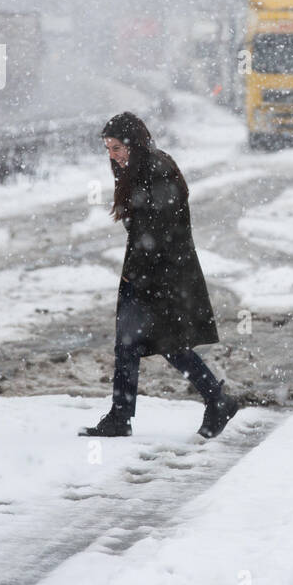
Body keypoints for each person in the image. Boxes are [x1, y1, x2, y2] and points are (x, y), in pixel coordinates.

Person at [81, 112, 239, 439]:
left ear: (133, 143)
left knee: (166, 343)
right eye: (108, 149)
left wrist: (138, 276)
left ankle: (215, 398)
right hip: (151, 272)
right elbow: (144, 231)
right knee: (144, 344)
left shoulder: (155, 169)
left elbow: (159, 232)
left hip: (163, 275)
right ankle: (123, 415)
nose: (112, 155)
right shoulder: (139, 169)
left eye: (116, 148)